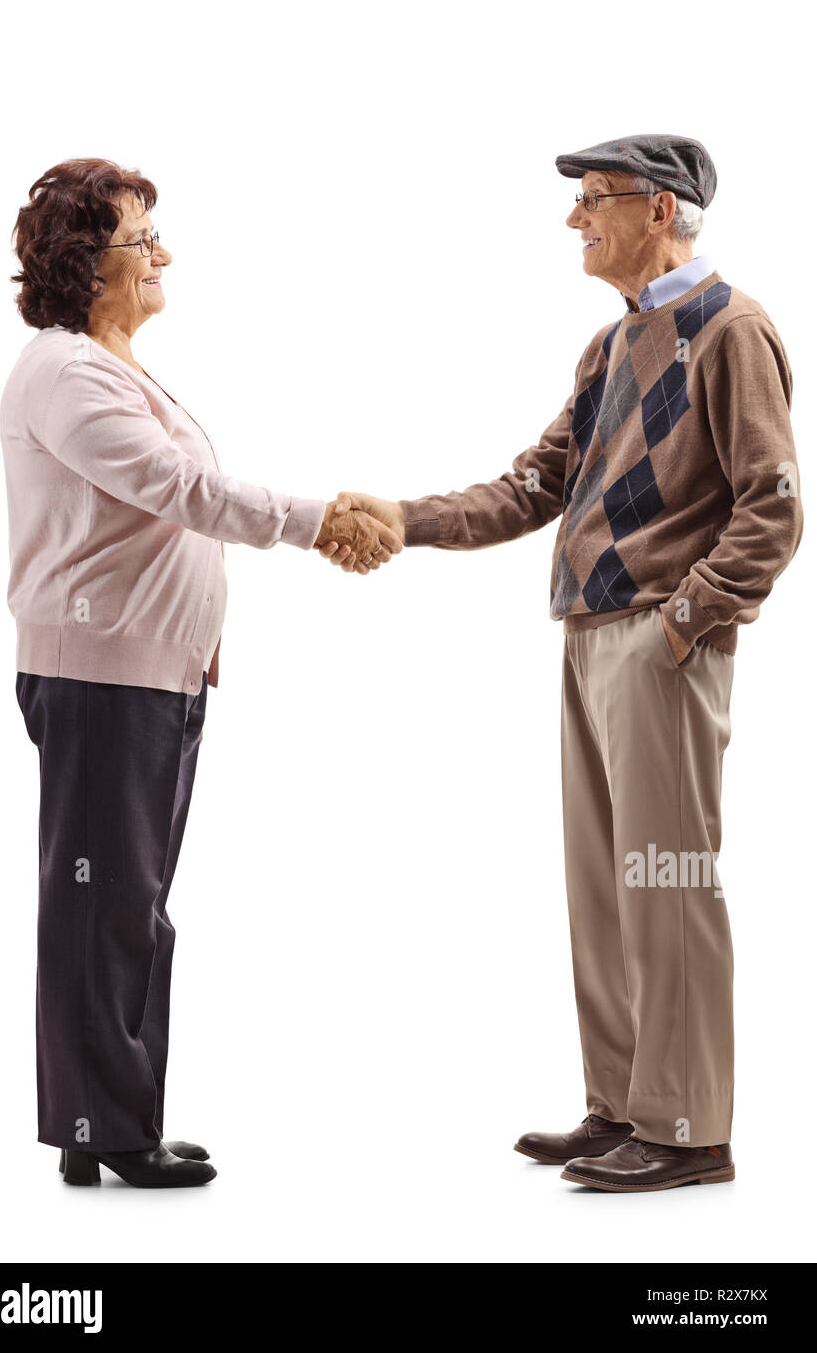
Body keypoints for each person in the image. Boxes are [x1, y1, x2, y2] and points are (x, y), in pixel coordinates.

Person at [319, 134, 804, 1192]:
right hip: (589, 636)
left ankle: (686, 1130)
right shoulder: (608, 347)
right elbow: (535, 483)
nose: (574, 221)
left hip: (657, 642)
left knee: (664, 880)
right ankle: (623, 1105)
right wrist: (404, 519)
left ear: (662, 209)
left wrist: (689, 619)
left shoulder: (729, 329)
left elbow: (772, 504)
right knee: (604, 885)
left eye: (594, 201)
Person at [2, 158, 402, 1189]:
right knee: (106, 902)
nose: (162, 254)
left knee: (123, 902)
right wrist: (316, 521)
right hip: (106, 681)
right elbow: (174, 485)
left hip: (149, 677)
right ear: (88, 263)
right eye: (142, 242)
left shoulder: (104, 364)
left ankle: (103, 1123)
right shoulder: (63, 371)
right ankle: (105, 1128)